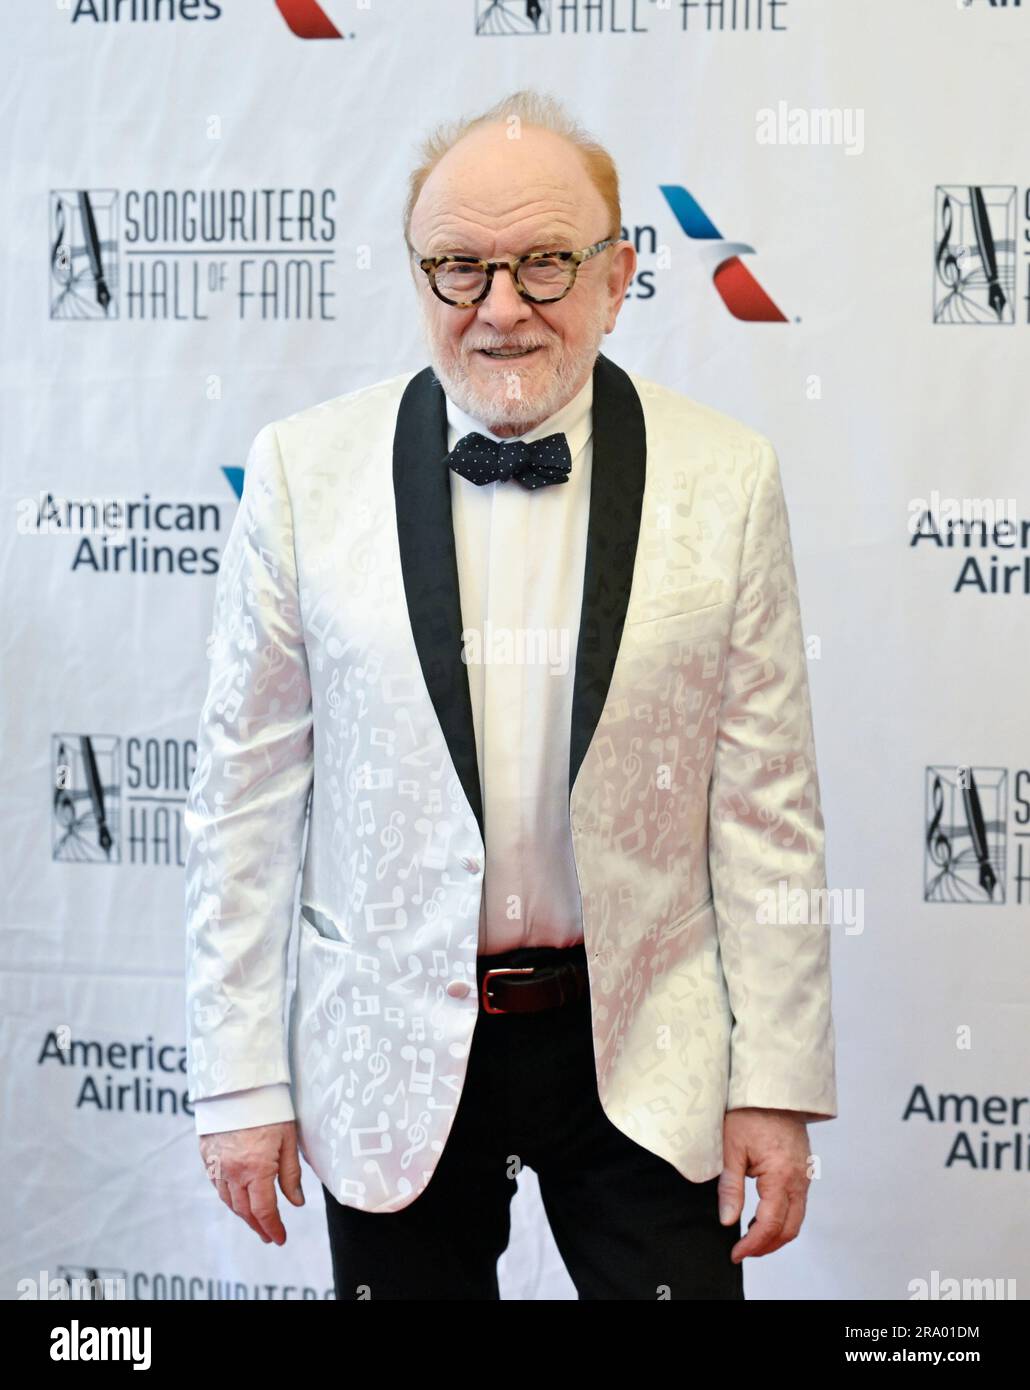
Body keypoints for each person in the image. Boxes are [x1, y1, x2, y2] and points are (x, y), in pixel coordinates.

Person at [183, 89, 837, 1301]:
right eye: (459, 267)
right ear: (419, 275)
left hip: (644, 1035)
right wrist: (236, 1083)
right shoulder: (298, 475)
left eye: (543, 263)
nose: (499, 309)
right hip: (389, 1050)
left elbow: (768, 808)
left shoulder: (729, 477)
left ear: (618, 274)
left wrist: (778, 1083)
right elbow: (240, 805)